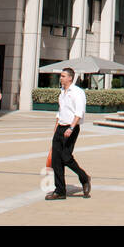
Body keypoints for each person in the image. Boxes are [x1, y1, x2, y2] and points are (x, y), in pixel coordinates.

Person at [46, 67, 90, 200]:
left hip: (71, 128)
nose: (61, 78)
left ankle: (84, 178)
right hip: (60, 127)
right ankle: (60, 190)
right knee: (55, 161)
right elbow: (60, 112)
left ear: (70, 78)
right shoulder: (62, 93)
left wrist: (71, 128)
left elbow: (79, 112)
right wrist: (56, 128)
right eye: (61, 76)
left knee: (66, 157)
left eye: (63, 76)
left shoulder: (77, 92)